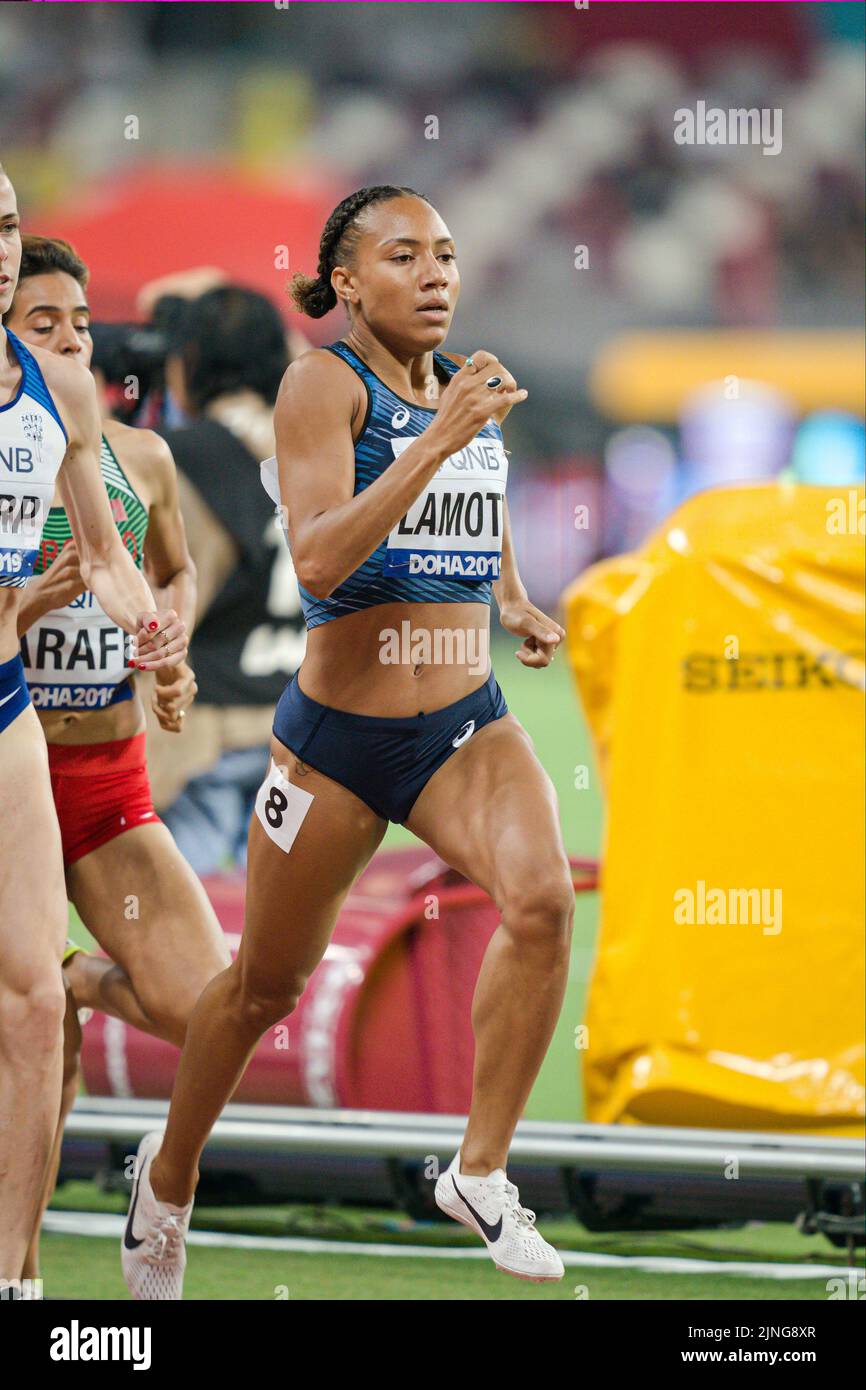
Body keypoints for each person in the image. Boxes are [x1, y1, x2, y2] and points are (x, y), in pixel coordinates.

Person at [122, 184, 573, 1297]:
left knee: (543, 902)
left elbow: (475, 493)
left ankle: (478, 1170)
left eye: (447, 256)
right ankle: (166, 1181)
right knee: (261, 989)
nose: (435, 275)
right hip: (335, 743)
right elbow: (321, 557)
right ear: (344, 282)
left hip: (464, 723)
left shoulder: (459, 383)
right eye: (404, 256)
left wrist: (509, 594)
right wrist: (446, 433)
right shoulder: (322, 385)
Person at [3, 234, 234, 1281]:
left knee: (214, 1010)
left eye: (82, 324)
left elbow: (168, 573)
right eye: (42, 324)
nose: (68, 341)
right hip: (17, 772)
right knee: (33, 1053)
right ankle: (24, 1267)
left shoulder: (139, 458)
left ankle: (83, 978)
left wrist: (168, 648)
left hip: (103, 782)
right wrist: (20, 608)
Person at [146, 286, 307, 874]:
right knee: (281, 940)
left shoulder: (174, 457)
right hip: (304, 735)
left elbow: (157, 600)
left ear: (187, 363)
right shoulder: (328, 446)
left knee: (180, 935)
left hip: (200, 733)